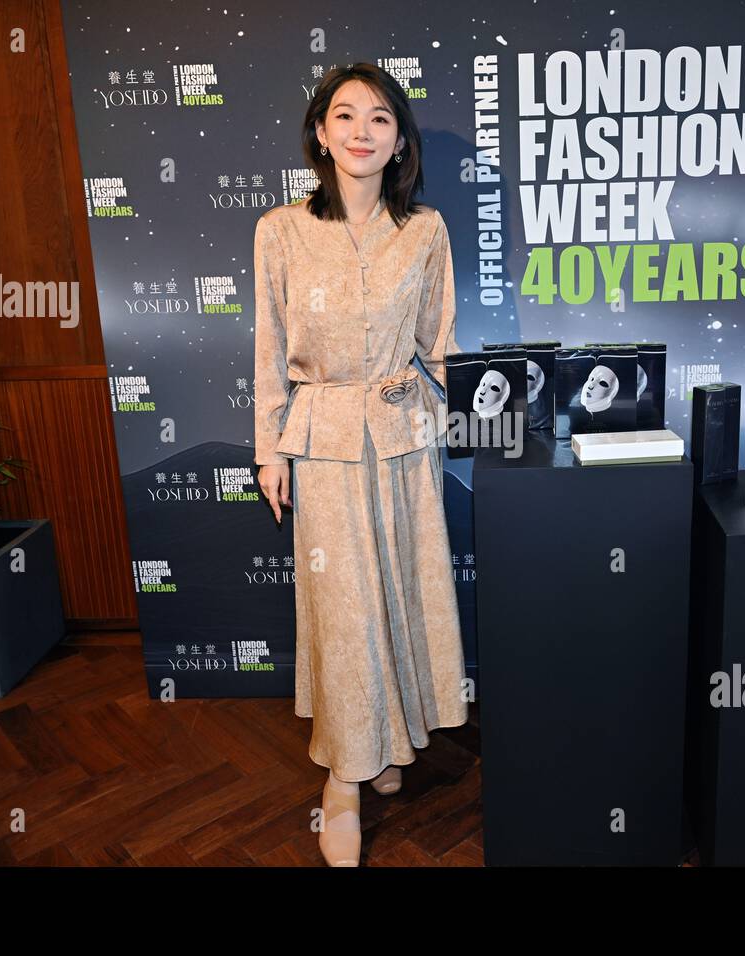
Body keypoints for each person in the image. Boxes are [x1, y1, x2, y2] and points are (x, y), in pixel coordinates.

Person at [252, 63, 468, 867]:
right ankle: (344, 777)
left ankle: (387, 747)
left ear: (399, 140)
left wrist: (477, 419)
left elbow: (439, 347)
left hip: (405, 438)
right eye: (345, 117)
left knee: (401, 597)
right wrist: (269, 448)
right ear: (320, 132)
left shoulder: (427, 231)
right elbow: (271, 349)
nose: (361, 132)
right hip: (325, 439)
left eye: (380, 119)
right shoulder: (281, 230)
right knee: (344, 615)